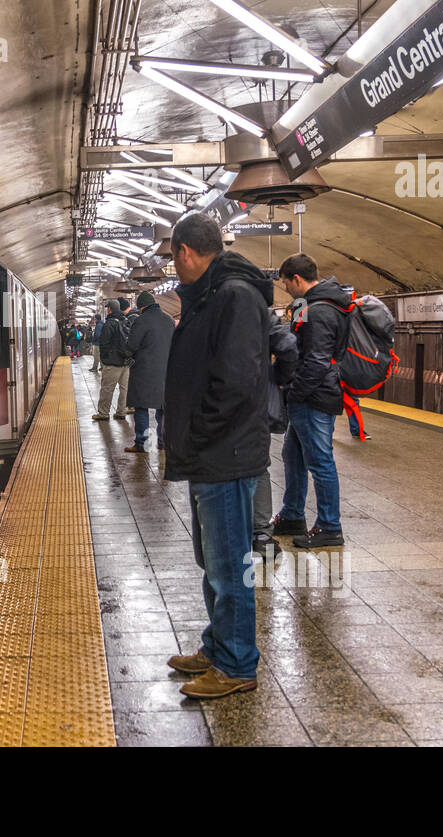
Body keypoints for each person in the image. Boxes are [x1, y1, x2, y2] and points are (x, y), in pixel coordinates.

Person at [161, 212, 272, 700]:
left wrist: (200, 430)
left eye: (173, 257)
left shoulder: (234, 296)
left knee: (230, 566)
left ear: (186, 251)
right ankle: (219, 645)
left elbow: (234, 379)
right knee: (212, 561)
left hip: (224, 453)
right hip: (210, 453)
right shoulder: (213, 293)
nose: (173, 267)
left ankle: (237, 664)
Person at [269, 254, 351, 549]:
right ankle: (292, 515)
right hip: (310, 395)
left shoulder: (319, 311)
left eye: (286, 284)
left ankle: (330, 526)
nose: (286, 290)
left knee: (320, 461)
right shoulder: (311, 307)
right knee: (293, 456)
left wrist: (294, 392)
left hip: (315, 397)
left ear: (297, 279)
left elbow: (316, 360)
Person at [253, 308, 298, 559]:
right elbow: (288, 347)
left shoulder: (205, 303)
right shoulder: (256, 307)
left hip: (215, 403)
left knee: (220, 465)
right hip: (255, 401)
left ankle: (231, 531)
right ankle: (261, 534)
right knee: (258, 465)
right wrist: (278, 378)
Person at [122, 291, 171, 456]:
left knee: (141, 408)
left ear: (141, 306)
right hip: (167, 372)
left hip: (144, 371)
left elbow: (131, 346)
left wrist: (126, 354)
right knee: (163, 409)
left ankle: (142, 444)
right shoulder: (169, 320)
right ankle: (163, 442)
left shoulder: (141, 321)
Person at [92, 300, 131, 421]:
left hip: (113, 362)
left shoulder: (109, 323)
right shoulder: (126, 321)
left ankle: (103, 413)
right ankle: (121, 411)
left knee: (107, 388)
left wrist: (105, 359)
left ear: (109, 309)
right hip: (126, 361)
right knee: (124, 388)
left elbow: (104, 343)